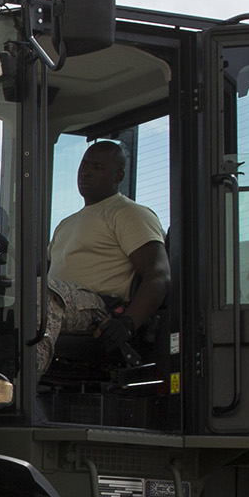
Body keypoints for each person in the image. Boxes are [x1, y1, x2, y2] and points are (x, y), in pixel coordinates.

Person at [46, 139, 169, 368]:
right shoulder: (66, 224)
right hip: (60, 299)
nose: (86, 172)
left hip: (98, 308)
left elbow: (158, 275)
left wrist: (128, 323)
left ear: (118, 176)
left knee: (42, 296)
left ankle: (21, 382)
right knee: (11, 296)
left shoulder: (128, 213)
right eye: (84, 164)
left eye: (97, 167)